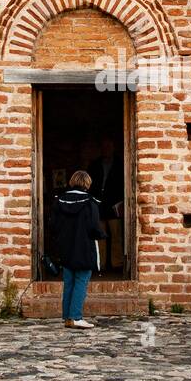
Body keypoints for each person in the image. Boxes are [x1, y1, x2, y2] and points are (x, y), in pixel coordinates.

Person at [51, 170, 105, 329]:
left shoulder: (59, 200)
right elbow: (94, 227)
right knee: (81, 281)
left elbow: (53, 225)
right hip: (84, 247)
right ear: (87, 183)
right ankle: (75, 317)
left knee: (69, 282)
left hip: (65, 247)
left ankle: (68, 317)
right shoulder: (90, 202)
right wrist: (102, 235)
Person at [87, 136, 124, 272]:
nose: (106, 149)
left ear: (113, 148)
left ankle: (117, 264)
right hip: (98, 205)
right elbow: (89, 184)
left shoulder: (120, 163)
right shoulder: (94, 164)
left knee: (116, 236)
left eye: (108, 146)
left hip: (114, 204)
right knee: (100, 236)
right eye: (104, 147)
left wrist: (120, 201)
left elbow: (124, 183)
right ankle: (100, 264)